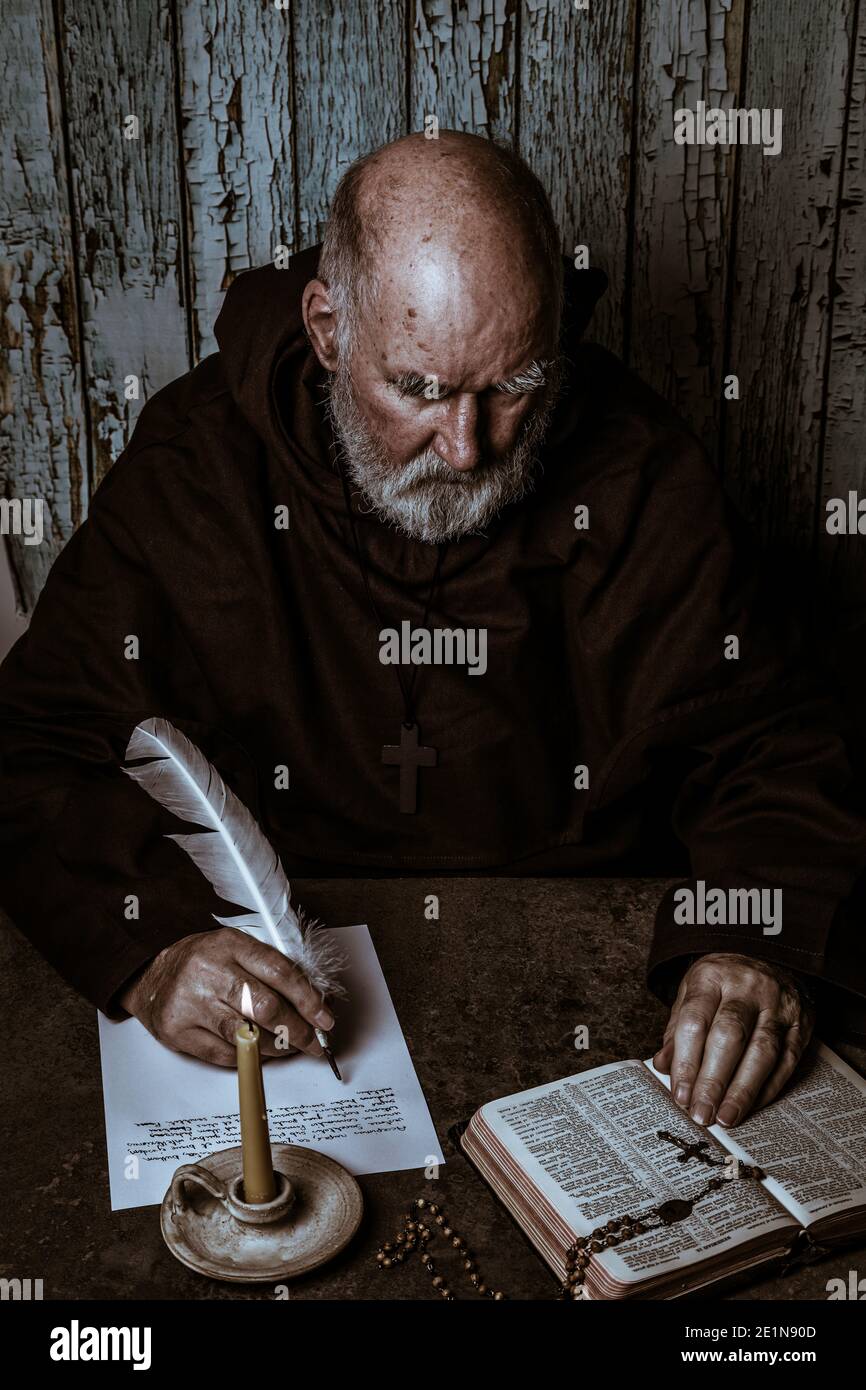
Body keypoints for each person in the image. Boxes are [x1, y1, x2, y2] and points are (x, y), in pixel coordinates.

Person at [1, 131, 864, 1131]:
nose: (466, 449)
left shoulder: (638, 471)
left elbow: (772, 745)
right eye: (417, 389)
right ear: (326, 329)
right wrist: (149, 949)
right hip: (287, 1009)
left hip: (593, 998)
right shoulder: (195, 468)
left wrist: (753, 940)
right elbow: (36, 744)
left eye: (511, 386)